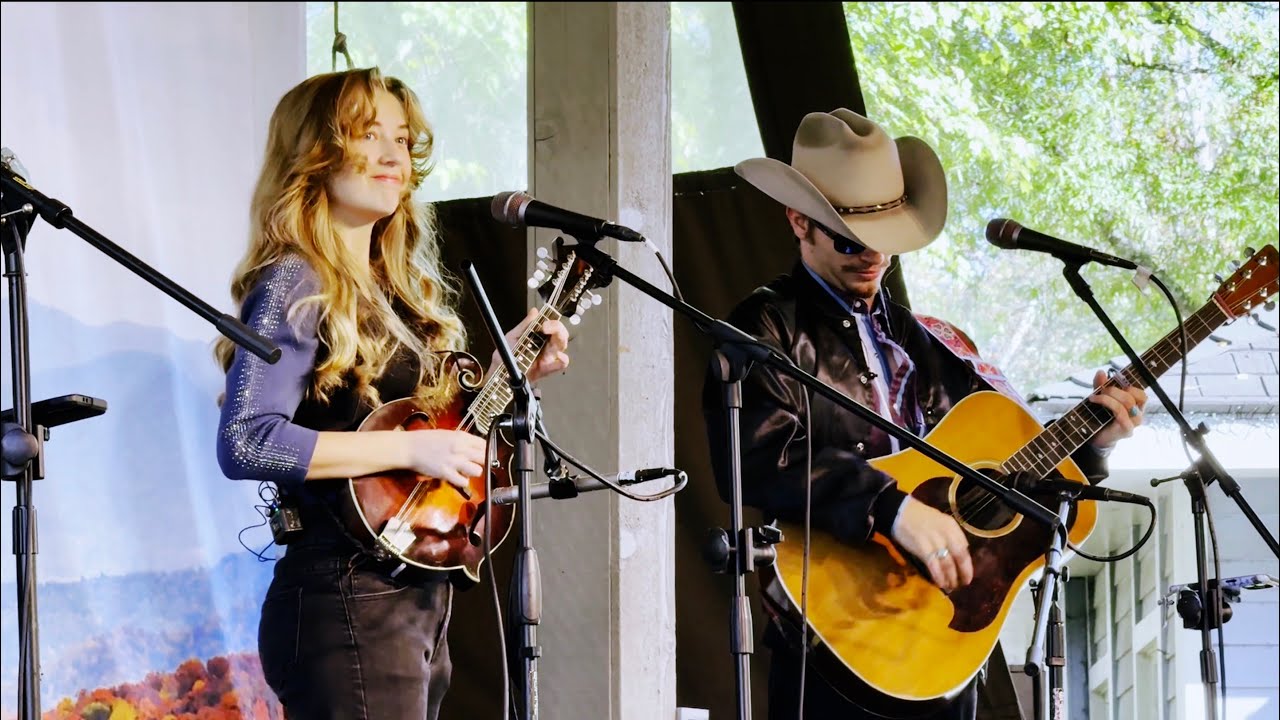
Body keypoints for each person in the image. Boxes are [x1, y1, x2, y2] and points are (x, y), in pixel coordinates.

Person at [701, 109, 1148, 720]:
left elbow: (1006, 485)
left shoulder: (929, 345)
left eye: (886, 235)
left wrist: (1096, 445)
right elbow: (755, 458)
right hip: (836, 640)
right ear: (798, 221)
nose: (874, 257)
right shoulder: (765, 329)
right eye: (851, 238)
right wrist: (891, 506)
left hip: (941, 638)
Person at [213, 67, 569, 720]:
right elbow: (248, 440)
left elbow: (418, 445)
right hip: (345, 596)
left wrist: (508, 375)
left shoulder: (397, 294)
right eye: (366, 135)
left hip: (411, 602)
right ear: (314, 153)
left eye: (402, 140)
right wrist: (420, 449)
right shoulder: (296, 280)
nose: (391, 156)